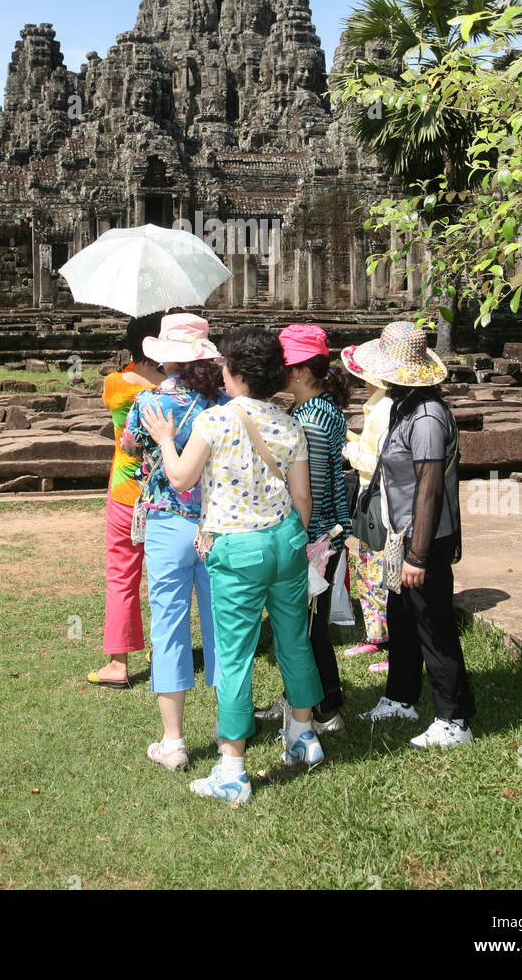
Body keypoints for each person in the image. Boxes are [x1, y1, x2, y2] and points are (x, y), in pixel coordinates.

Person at [141, 324, 325, 806]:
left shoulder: (216, 422)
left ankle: (232, 768)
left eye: (225, 364)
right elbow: (302, 496)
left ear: (238, 373)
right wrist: (290, 541)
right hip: (285, 539)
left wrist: (164, 438)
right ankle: (304, 735)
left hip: (237, 549)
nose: (220, 371)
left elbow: (181, 478)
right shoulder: (290, 423)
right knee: (294, 641)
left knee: (236, 654)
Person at [356, 322, 475, 748]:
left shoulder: (426, 417)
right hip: (400, 536)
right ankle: (401, 696)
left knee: (434, 626)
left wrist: (418, 556)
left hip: (423, 540)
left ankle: (454, 718)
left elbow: (429, 489)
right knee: (403, 620)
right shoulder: (405, 406)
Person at [123, 315, 225, 771]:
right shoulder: (221, 403)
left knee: (169, 624)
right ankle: (229, 728)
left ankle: (174, 740)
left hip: (167, 522)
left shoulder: (149, 401)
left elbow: (128, 446)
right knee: (223, 624)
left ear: (165, 356)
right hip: (215, 521)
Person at [255, 324, 352, 733]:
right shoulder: (321, 408)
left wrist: (299, 538)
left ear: (296, 372)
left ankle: (326, 706)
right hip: (327, 533)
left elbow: (307, 491)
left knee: (308, 630)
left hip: (315, 537)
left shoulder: (311, 419)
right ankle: (304, 697)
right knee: (307, 626)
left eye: (282, 366)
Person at [87, 312, 163, 689]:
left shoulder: (114, 384)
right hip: (167, 493)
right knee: (168, 577)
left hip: (124, 490)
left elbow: (128, 386)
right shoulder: (176, 388)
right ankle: (164, 648)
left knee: (121, 575)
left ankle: (117, 664)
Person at [341, 343, 392, 665]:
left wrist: (350, 452)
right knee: (367, 569)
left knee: (381, 572)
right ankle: (376, 635)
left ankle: (390, 639)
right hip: (368, 497)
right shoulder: (377, 406)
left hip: (381, 499)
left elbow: (379, 462)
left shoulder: (385, 409)